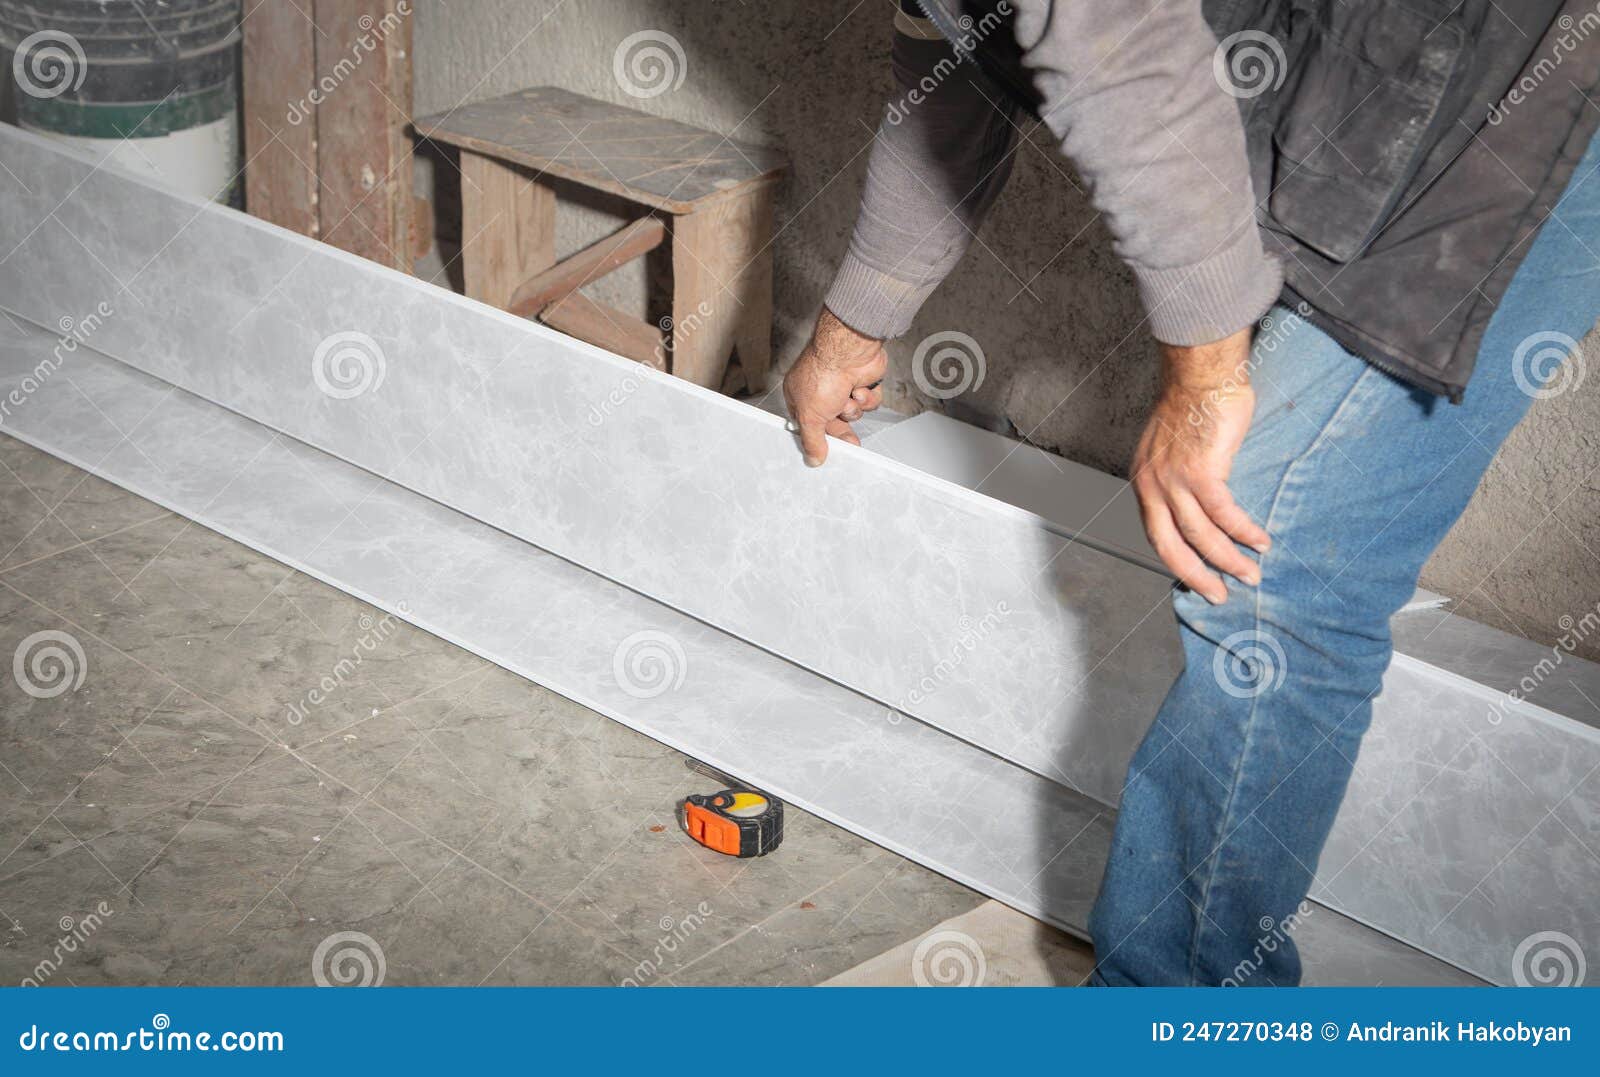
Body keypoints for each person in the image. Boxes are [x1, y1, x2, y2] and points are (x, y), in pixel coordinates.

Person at [783, 0, 1600, 985]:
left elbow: (1130, 60)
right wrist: (853, 324)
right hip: (1365, 53)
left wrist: (1204, 379)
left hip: (1524, 69)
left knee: (1270, 552)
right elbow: (953, 62)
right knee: (1259, 529)